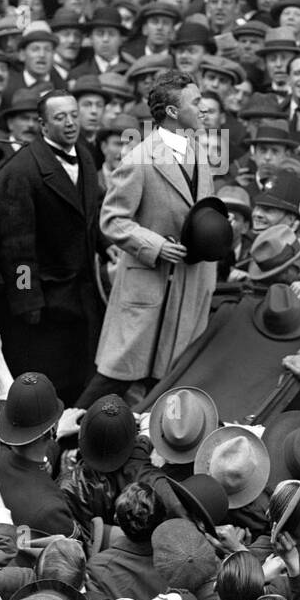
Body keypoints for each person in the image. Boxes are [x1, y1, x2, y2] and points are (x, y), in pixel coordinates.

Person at [86, 70, 215, 405]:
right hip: (149, 286)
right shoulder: (140, 159)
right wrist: (155, 246)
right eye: (197, 102)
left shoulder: (199, 152)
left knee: (169, 382)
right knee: (114, 378)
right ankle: (65, 437)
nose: (204, 109)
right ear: (173, 112)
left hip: (188, 287)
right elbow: (112, 220)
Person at [0, 90, 104, 405]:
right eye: (60, 117)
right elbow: (16, 247)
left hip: (83, 295)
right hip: (48, 300)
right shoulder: (22, 170)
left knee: (81, 375)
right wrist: (28, 301)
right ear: (42, 125)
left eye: (73, 115)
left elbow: (91, 217)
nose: (70, 123)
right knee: (47, 381)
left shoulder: (85, 156)